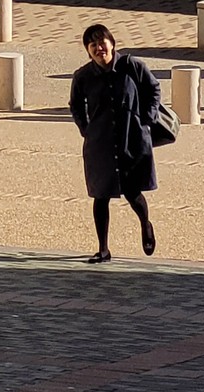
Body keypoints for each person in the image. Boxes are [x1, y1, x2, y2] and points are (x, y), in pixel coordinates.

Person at [68, 24, 160, 262]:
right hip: (100, 143)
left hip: (131, 137)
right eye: (93, 45)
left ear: (112, 43)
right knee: (101, 195)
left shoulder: (132, 66)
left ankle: (145, 225)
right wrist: (86, 129)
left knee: (133, 191)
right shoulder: (83, 76)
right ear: (88, 51)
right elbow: (76, 105)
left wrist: (146, 120)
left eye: (102, 42)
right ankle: (103, 248)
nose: (99, 48)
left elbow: (154, 89)